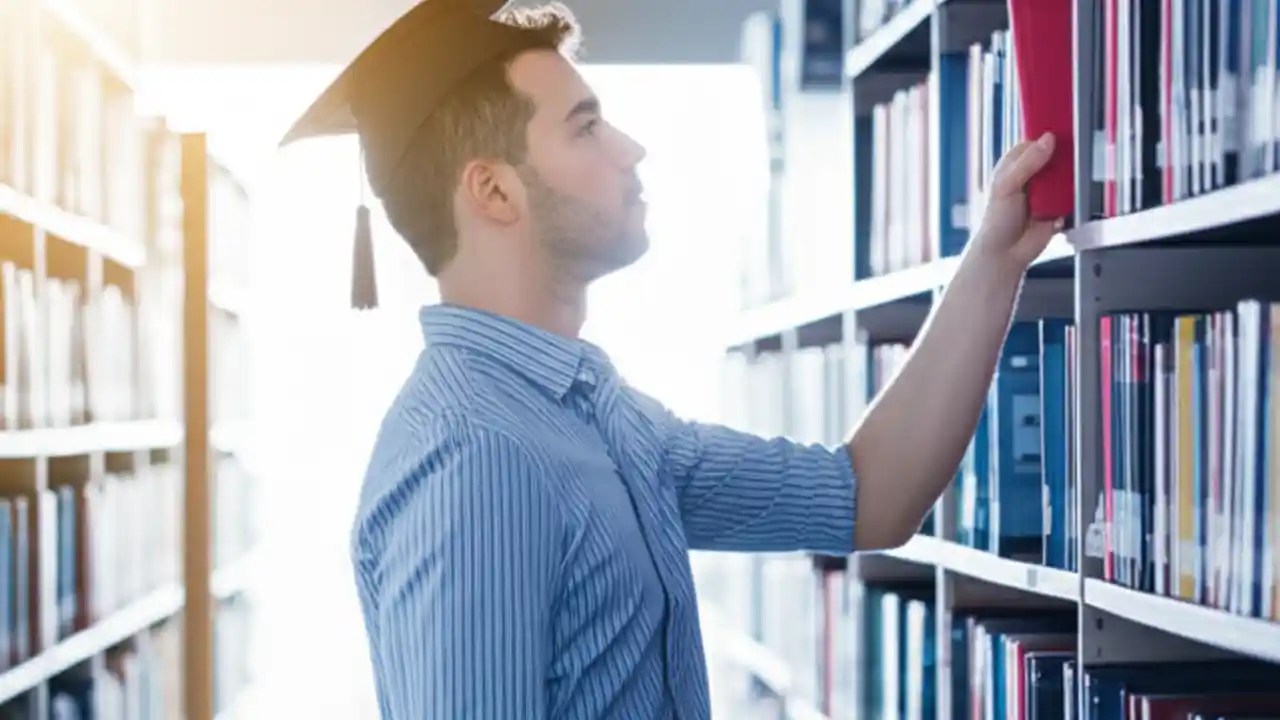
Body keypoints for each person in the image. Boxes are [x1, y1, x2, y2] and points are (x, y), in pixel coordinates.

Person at [279, 1, 1066, 717]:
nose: (631, 147)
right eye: (586, 127)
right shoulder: (477, 455)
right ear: (492, 192)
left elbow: (867, 498)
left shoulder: (603, 415)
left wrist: (995, 257)